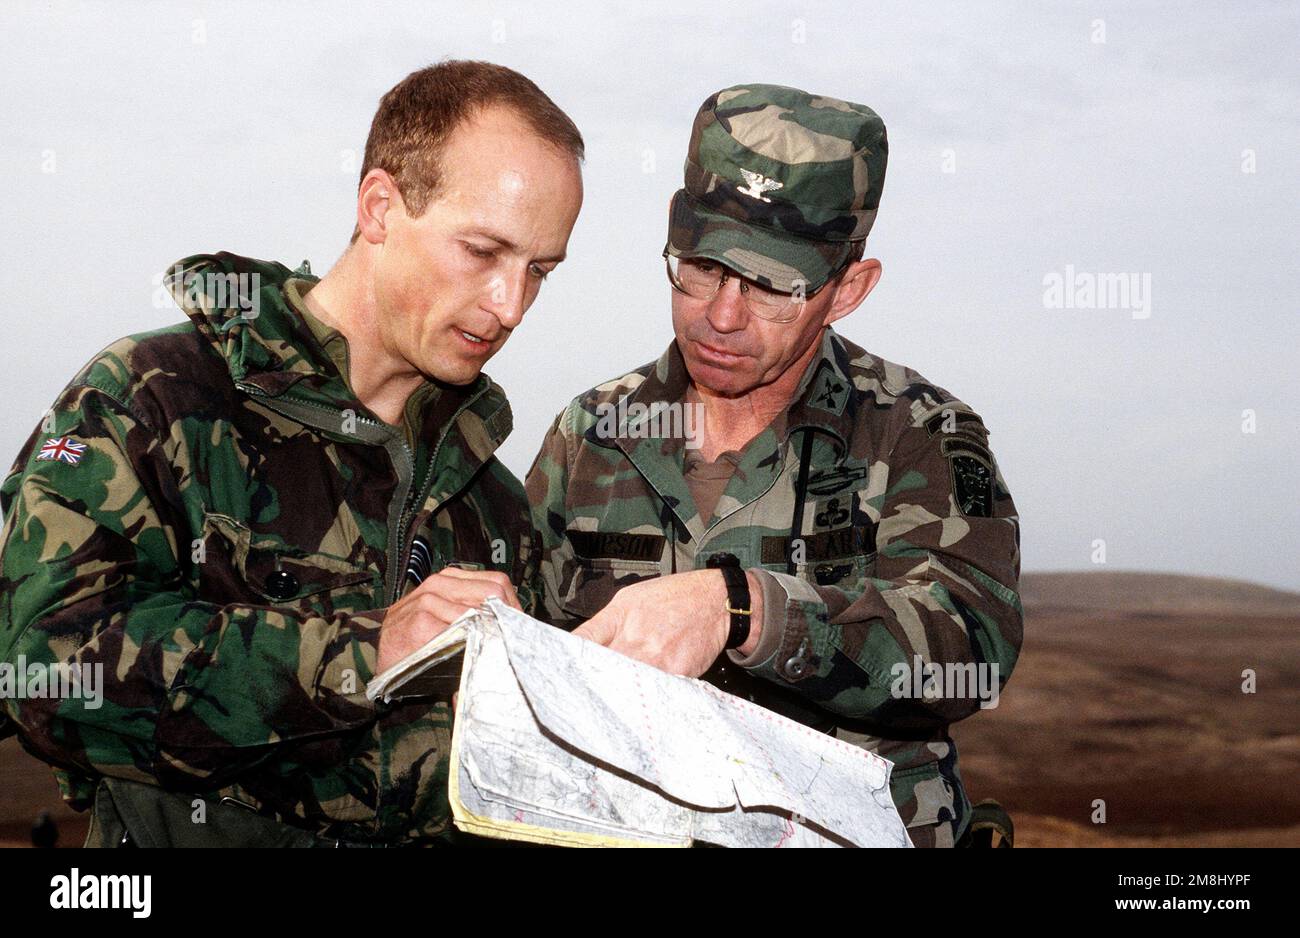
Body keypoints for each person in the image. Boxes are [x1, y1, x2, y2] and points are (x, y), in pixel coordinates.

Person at [0, 60, 583, 846]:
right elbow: (44, 670)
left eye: (539, 271)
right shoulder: (158, 402)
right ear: (380, 206)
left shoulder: (495, 504)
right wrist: (365, 651)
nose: (511, 305)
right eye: (483, 251)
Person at [526, 83, 1022, 847]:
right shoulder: (592, 432)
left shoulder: (920, 434)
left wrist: (748, 609)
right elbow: (530, 647)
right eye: (700, 268)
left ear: (847, 289)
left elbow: (973, 646)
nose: (721, 315)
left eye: (771, 287)